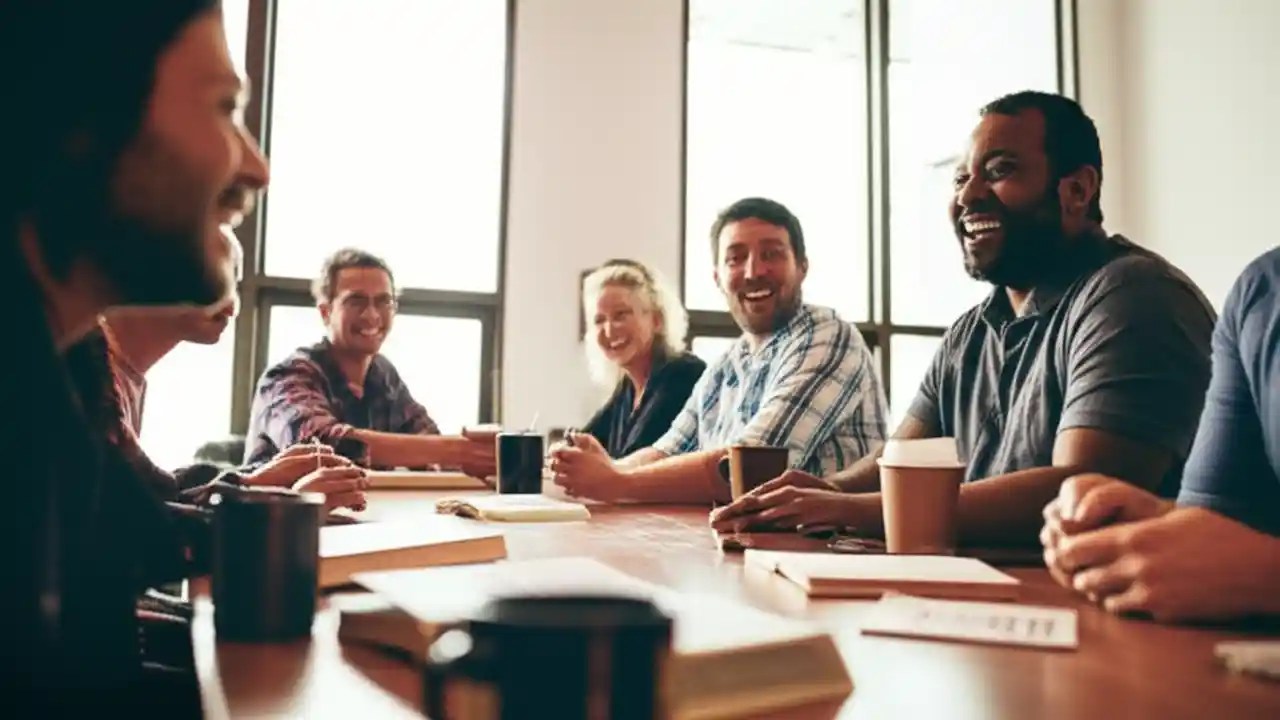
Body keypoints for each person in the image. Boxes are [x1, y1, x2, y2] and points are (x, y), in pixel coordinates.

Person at [711, 91, 1216, 547]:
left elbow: (1081, 488)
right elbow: (901, 458)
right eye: (961, 178)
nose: (968, 195)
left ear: (1078, 190)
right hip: (989, 605)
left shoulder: (1134, 295)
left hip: (1112, 624)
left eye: (999, 170)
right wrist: (824, 491)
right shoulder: (971, 330)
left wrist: (849, 509)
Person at [1, 0, 268, 708]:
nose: (257, 166)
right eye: (222, 108)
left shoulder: (57, 380)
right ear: (81, 119)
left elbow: (140, 531)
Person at [550, 197, 888, 504]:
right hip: (743, 544)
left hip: (823, 554)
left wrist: (616, 481)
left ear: (802, 267)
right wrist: (604, 473)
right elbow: (666, 450)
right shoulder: (728, 363)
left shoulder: (827, 336)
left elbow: (747, 469)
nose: (754, 271)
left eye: (771, 254)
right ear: (718, 277)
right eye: (736, 258)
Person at [1042, 247, 1280, 623]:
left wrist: (1269, 577)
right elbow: (1224, 522)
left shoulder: (1139, 291)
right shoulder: (1261, 289)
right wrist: (1153, 523)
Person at [244, 247, 496, 475]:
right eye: (356, 302)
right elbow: (322, 444)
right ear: (325, 312)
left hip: (362, 518)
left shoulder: (383, 375)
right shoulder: (287, 376)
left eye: (383, 301)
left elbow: (427, 441)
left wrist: (481, 452)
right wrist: (455, 450)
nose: (372, 315)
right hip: (283, 522)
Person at [579, 259, 706, 458]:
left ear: (657, 320)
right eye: (599, 320)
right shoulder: (627, 388)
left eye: (621, 315)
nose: (609, 330)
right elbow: (583, 443)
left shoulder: (683, 374)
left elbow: (636, 460)